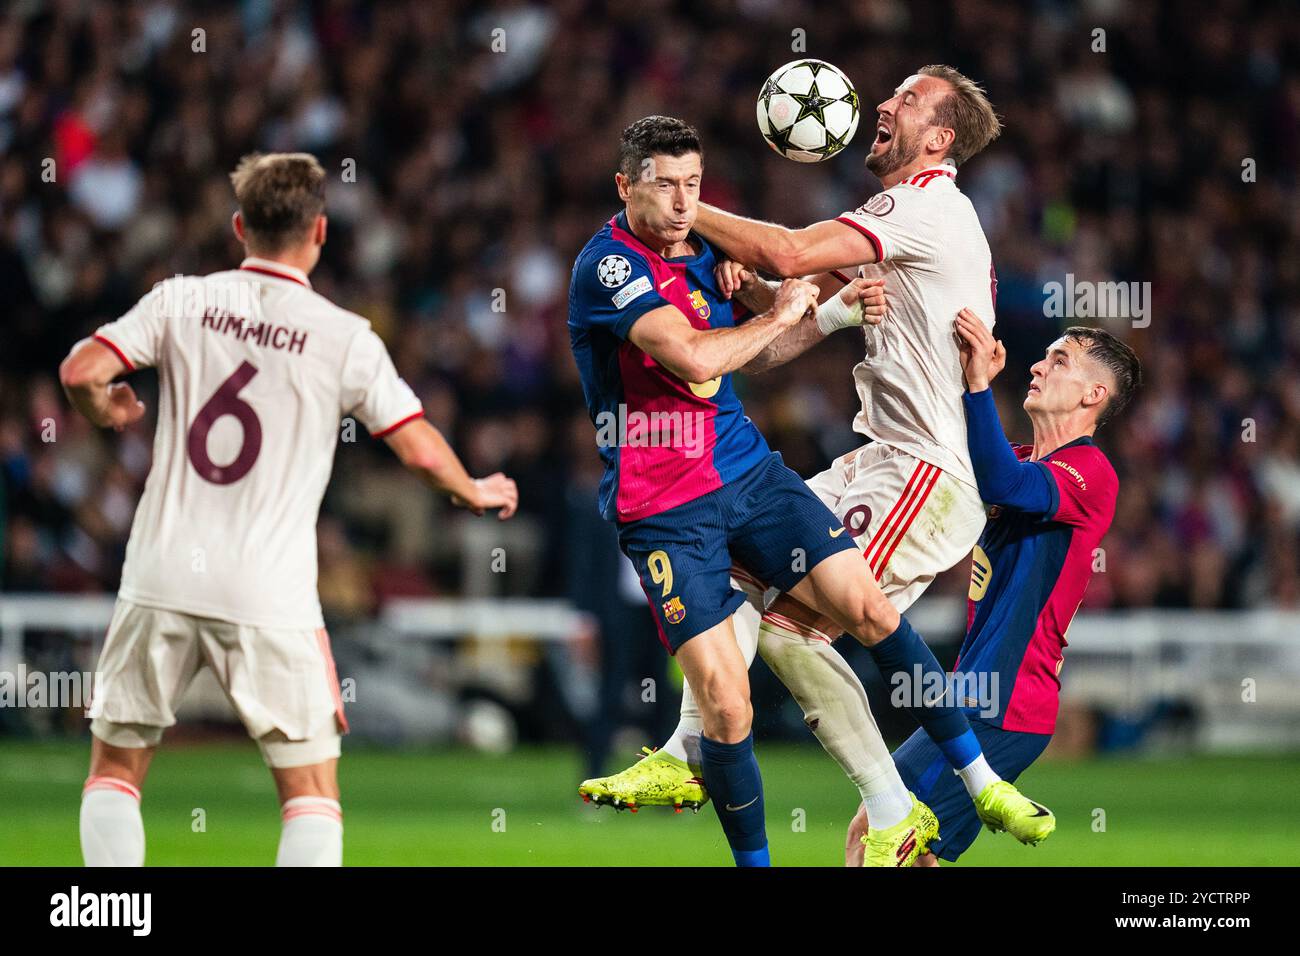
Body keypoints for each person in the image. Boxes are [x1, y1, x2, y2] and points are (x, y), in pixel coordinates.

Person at [584, 68, 1057, 860]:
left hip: (923, 472)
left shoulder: (925, 207)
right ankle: (682, 752)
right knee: (738, 578)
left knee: (791, 630)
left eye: (906, 100)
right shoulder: (901, 215)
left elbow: (790, 249)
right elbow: (799, 289)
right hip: (879, 459)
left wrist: (677, 207)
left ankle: (897, 808)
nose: (884, 105)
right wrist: (757, 290)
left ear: (938, 140)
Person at [60, 152, 518, 867]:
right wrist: (472, 489)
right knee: (309, 794)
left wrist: (103, 407)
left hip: (160, 573)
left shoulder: (181, 298)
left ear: (240, 226)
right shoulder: (344, 336)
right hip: (270, 590)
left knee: (116, 772)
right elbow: (421, 451)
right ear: (320, 233)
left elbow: (81, 369)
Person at [843, 313, 1140, 864]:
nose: (1037, 365)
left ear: (1094, 394)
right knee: (896, 839)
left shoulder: (1091, 472)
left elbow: (1002, 481)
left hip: (1008, 701)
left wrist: (980, 385)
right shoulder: (1023, 460)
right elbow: (964, 459)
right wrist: (960, 379)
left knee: (886, 838)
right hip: (976, 694)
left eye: (1060, 360)